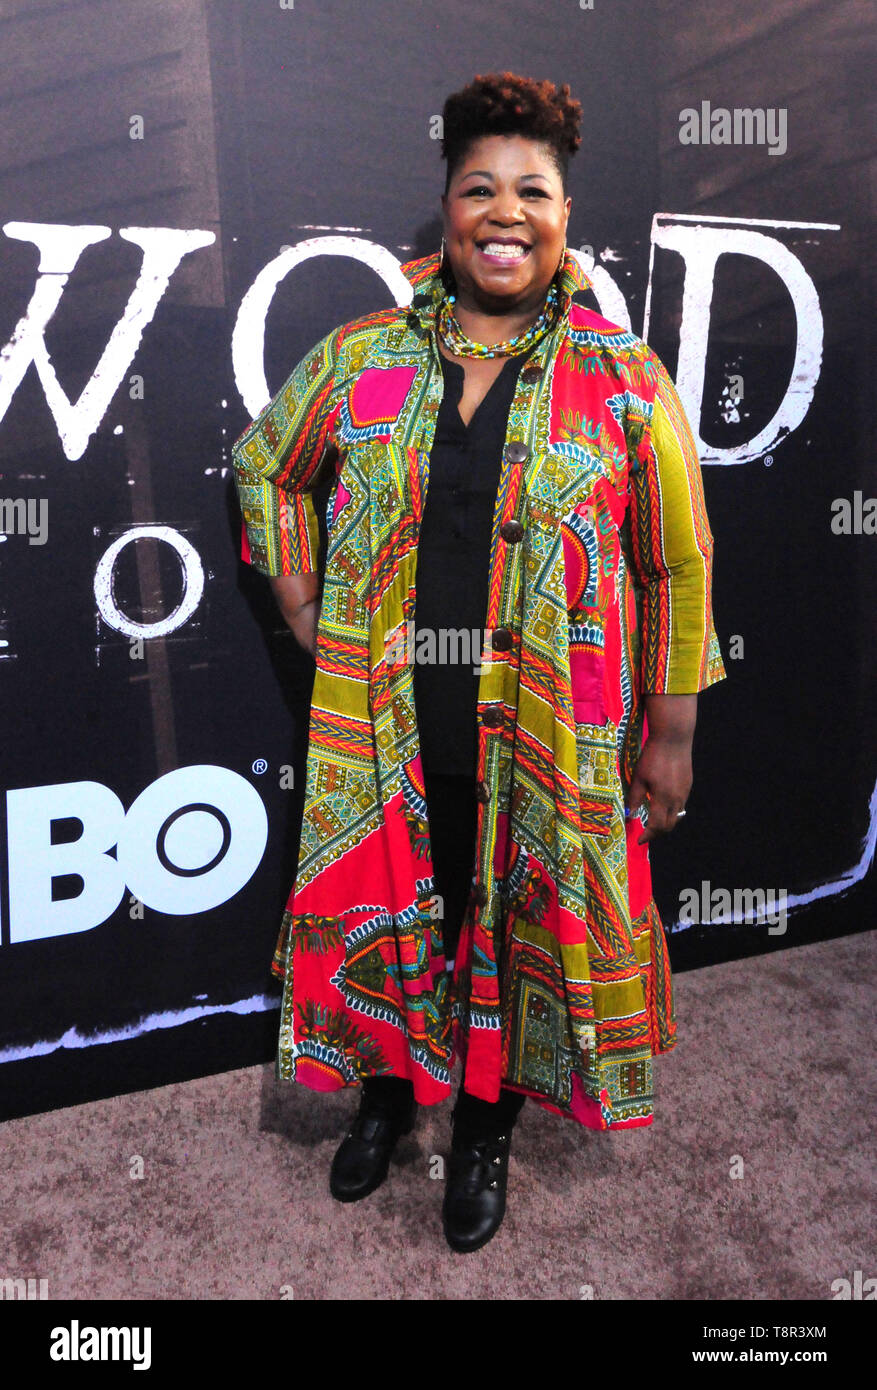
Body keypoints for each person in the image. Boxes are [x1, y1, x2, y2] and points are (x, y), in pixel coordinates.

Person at [231, 71, 726, 1254]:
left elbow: (677, 563)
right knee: (403, 906)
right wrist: (304, 605)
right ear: (447, 204)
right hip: (389, 727)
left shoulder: (624, 382)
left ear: (564, 213)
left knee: (510, 924)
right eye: (479, 188)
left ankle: (488, 1126)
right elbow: (266, 466)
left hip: (547, 734)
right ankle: (389, 1098)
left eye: (533, 191)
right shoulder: (362, 357)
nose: (506, 214)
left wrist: (669, 733)